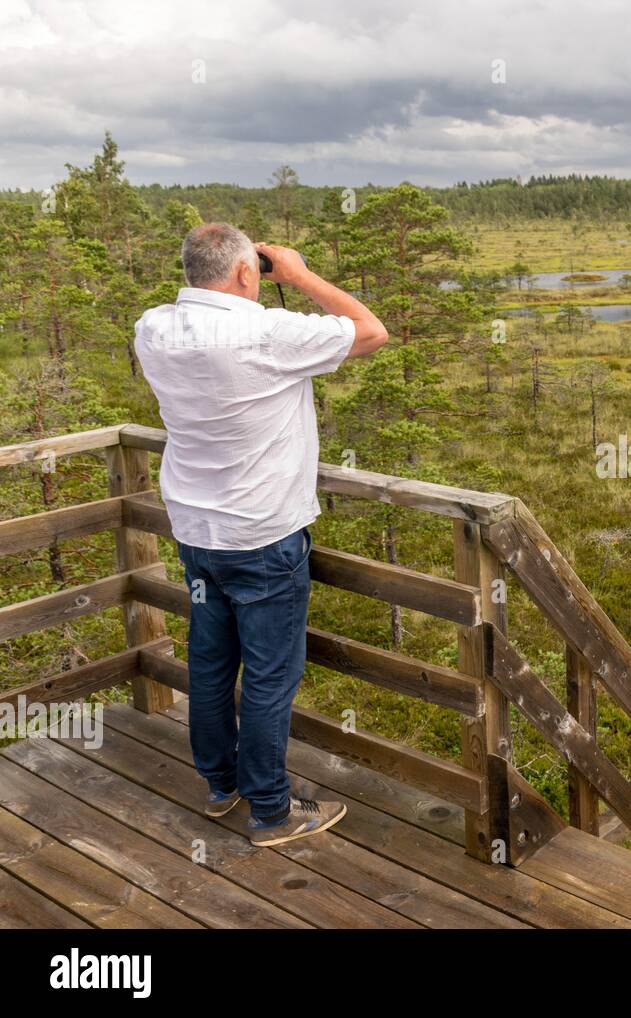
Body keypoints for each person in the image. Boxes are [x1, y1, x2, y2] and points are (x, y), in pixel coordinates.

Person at [134, 222, 388, 846]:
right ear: (250, 273)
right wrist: (298, 276)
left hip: (197, 531)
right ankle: (272, 811)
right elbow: (372, 331)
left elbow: (196, 303)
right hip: (264, 534)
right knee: (271, 675)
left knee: (213, 663)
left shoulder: (154, 326)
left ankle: (223, 787)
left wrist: (236, 272)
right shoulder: (268, 333)